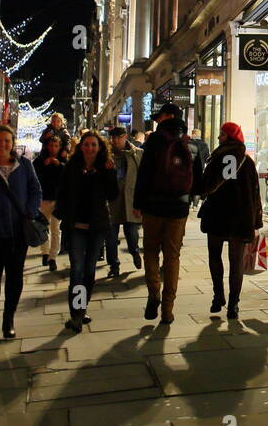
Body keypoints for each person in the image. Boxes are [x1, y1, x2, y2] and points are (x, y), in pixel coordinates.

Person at [134, 103, 203, 323]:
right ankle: (168, 309)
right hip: (178, 208)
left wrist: (137, 202)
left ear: (169, 116)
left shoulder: (154, 140)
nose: (157, 121)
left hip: (153, 206)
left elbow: (143, 174)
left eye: (160, 116)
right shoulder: (191, 144)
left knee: (152, 251)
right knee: (172, 257)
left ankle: (154, 293)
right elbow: (198, 182)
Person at [53, 130, 119, 334]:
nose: (90, 148)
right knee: (77, 270)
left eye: (94, 145)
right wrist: (63, 216)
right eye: (87, 144)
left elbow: (113, 195)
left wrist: (109, 173)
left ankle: (82, 307)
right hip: (76, 228)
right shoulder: (71, 168)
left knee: (89, 271)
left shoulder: (104, 168)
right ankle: (76, 314)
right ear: (80, 147)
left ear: (99, 148)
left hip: (97, 227)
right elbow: (61, 193)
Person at [0, 125, 43, 341]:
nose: (3, 144)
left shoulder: (24, 165)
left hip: (17, 233)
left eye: (7, 140)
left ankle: (9, 320)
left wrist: (29, 212)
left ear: (13, 143)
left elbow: (36, 190)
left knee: (14, 277)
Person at [197, 122, 262, 320]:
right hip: (240, 217)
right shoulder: (248, 162)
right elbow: (255, 193)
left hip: (218, 214)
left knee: (215, 256)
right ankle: (234, 304)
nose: (219, 138)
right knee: (236, 262)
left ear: (230, 137)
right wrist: (256, 220)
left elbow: (207, 184)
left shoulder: (218, 157)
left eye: (222, 135)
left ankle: (218, 297)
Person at [106, 125, 143, 275]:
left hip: (131, 200)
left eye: (117, 137)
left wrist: (141, 202)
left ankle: (134, 252)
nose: (114, 141)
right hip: (112, 200)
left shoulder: (138, 154)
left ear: (125, 137)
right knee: (110, 237)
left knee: (132, 233)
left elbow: (143, 179)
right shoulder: (106, 155)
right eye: (112, 137)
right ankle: (114, 265)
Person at [35, 134, 68, 272]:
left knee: (55, 229)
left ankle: (52, 257)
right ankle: (45, 252)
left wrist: (59, 165)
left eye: (56, 146)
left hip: (58, 200)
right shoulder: (40, 161)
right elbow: (34, 177)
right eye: (51, 145)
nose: (53, 148)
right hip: (43, 199)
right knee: (43, 228)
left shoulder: (63, 161)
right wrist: (44, 164)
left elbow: (68, 176)